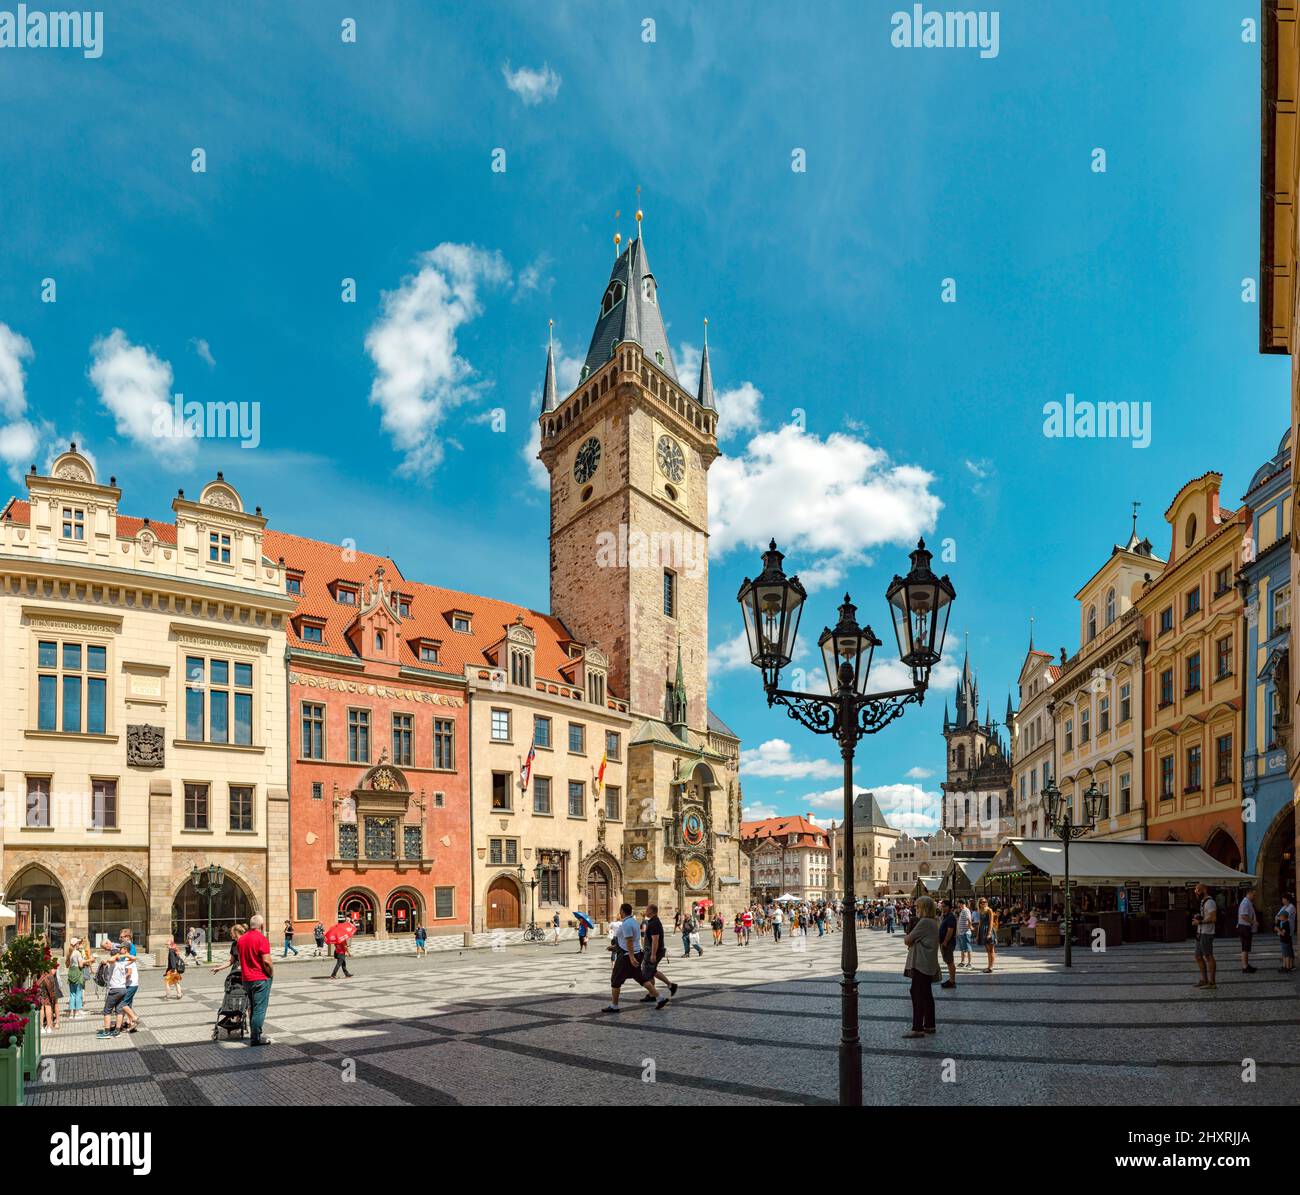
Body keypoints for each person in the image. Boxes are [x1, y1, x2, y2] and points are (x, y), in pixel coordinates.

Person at [600, 902, 664, 1013]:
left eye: (620, 911)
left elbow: (629, 941)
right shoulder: (633, 922)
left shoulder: (626, 924)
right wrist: (615, 947)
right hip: (635, 953)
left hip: (626, 956)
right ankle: (660, 998)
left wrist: (630, 956)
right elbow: (629, 940)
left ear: (622, 912)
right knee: (641, 978)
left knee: (615, 980)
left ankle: (614, 1005)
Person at [902, 895, 940, 1038]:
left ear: (924, 908)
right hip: (928, 963)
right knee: (926, 994)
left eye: (918, 906)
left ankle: (918, 1028)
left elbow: (908, 939)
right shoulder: (933, 921)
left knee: (917, 993)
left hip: (921, 963)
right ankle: (930, 1025)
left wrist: (909, 938)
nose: (915, 909)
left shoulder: (924, 922)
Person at [236, 914, 275, 1046]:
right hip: (260, 978)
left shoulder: (241, 940)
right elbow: (266, 961)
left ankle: (255, 1035)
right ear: (262, 926)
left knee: (252, 1007)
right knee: (259, 1009)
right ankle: (256, 1038)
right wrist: (271, 973)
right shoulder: (262, 939)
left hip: (246, 979)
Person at [639, 904, 678, 1002]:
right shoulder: (653, 921)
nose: (645, 911)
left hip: (653, 952)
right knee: (652, 971)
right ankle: (670, 986)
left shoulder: (654, 923)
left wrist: (653, 954)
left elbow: (655, 939)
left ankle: (654, 995)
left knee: (647, 974)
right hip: (652, 951)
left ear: (651, 911)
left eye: (647, 909)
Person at [96, 945, 132, 1040]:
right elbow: (134, 959)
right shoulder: (123, 963)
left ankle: (107, 1032)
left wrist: (114, 957)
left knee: (107, 1011)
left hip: (115, 989)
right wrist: (126, 955)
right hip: (123, 989)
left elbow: (110, 960)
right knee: (119, 1010)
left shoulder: (112, 963)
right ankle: (117, 1031)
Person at [1193, 881, 1217, 990]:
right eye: (1195, 891)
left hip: (1207, 933)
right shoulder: (1203, 901)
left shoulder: (1210, 902)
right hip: (1200, 932)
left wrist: (1200, 922)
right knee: (1198, 956)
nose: (1196, 893)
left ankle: (1212, 982)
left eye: (1198, 890)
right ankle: (1204, 980)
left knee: (1208, 956)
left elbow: (1213, 918)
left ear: (1204, 890)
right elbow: (1206, 916)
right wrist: (1199, 917)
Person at [1237, 886, 1259, 974]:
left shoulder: (1247, 902)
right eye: (1254, 894)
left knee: (1246, 948)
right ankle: (1245, 967)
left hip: (1245, 927)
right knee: (1245, 948)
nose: (1254, 897)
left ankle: (1246, 965)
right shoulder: (1245, 903)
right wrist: (1253, 922)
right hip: (1244, 927)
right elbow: (1244, 915)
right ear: (1249, 893)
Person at [937, 899, 958, 989]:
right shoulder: (945, 916)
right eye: (942, 906)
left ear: (949, 907)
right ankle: (951, 980)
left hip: (948, 943)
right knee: (948, 962)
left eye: (945, 906)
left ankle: (952, 981)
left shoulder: (950, 917)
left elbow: (950, 930)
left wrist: (945, 941)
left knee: (950, 962)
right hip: (944, 942)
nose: (943, 908)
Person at [65, 937, 87, 1018]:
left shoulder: (69, 953)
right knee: (78, 993)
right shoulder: (77, 953)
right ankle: (77, 1012)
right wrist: (86, 962)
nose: (79, 944)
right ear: (76, 944)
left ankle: (71, 1013)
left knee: (72, 994)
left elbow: (67, 965)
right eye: (78, 943)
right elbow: (81, 965)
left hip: (71, 973)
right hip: (77, 972)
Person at [975, 897, 997, 973]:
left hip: (988, 930)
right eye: (981, 902)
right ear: (979, 904)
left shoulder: (989, 910)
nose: (983, 903)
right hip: (982, 930)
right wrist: (978, 935)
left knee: (991, 949)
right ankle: (989, 966)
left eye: (985, 902)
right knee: (987, 950)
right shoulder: (980, 911)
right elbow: (980, 923)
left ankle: (991, 967)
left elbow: (991, 922)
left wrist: (989, 932)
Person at [1277, 893, 1296, 974]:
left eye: (1283, 899)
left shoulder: (1291, 907)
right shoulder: (1284, 907)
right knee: (1286, 949)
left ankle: (1290, 966)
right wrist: (1278, 917)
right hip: (1283, 930)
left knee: (1288, 949)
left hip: (1288, 930)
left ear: (1287, 899)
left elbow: (1283, 915)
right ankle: (1287, 965)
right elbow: (1278, 915)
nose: (1282, 900)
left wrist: (1279, 917)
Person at [163, 935, 185, 1000]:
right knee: (176, 982)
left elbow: (172, 960)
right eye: (166, 944)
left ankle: (168, 995)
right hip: (175, 970)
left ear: (171, 945)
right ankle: (179, 994)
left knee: (167, 982)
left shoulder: (171, 951)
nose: (166, 945)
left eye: (167, 944)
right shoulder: (174, 950)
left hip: (172, 970)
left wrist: (173, 969)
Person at [955, 899, 974, 969]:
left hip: (965, 932)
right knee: (963, 948)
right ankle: (963, 962)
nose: (957, 905)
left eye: (958, 904)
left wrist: (970, 926)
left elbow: (969, 919)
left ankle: (969, 963)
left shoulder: (966, 910)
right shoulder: (962, 910)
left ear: (961, 903)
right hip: (961, 933)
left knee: (968, 948)